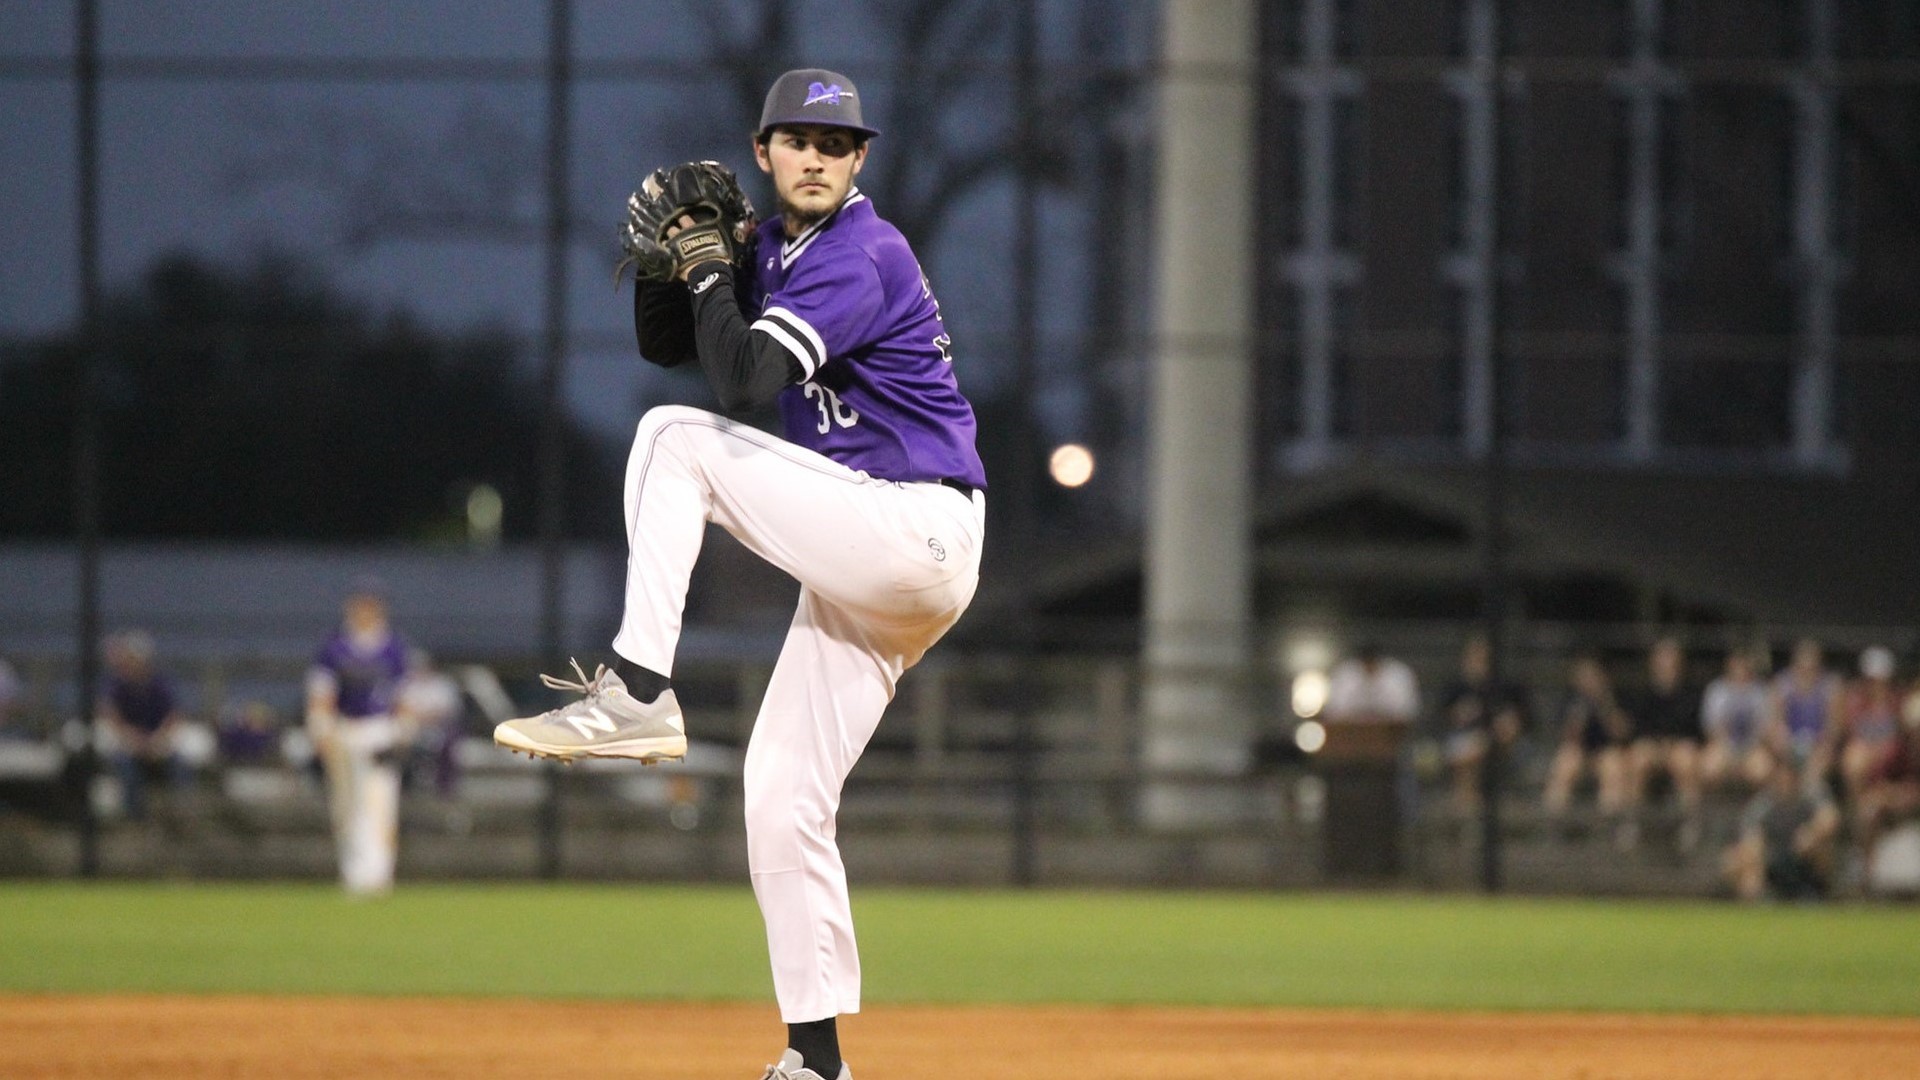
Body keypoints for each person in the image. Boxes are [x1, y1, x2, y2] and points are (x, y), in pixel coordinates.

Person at [492, 68, 984, 1080]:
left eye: (836, 144)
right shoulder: (776, 248)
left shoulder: (862, 251)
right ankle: (817, 1060)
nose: (816, 156)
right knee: (779, 792)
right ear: (763, 152)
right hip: (867, 551)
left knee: (676, 442)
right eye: (796, 139)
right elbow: (673, 346)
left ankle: (636, 691)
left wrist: (713, 273)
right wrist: (680, 265)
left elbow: (746, 384)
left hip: (916, 526)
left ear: (860, 162)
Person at [306, 578, 414, 897]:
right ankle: (353, 875)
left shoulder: (393, 647)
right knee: (347, 807)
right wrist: (321, 729)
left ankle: (379, 875)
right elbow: (321, 693)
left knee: (380, 804)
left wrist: (403, 733)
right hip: (346, 729)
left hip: (379, 730)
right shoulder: (334, 647)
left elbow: (404, 696)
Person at [1541, 653, 1637, 846]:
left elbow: (1622, 733)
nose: (1588, 680)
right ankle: (1553, 828)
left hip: (1606, 751)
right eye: (1583, 676)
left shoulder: (1614, 696)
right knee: (1565, 762)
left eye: (1593, 675)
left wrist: (1604, 705)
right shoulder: (1571, 699)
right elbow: (1566, 737)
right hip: (1580, 751)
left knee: (1613, 765)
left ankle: (1605, 830)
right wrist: (1578, 718)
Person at [98, 630, 193, 820]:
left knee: (180, 763)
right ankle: (134, 815)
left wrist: (158, 739)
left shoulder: (159, 683)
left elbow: (174, 714)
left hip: (157, 741)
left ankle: (182, 812)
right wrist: (132, 738)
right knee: (125, 764)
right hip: (128, 742)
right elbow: (109, 714)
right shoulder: (117, 684)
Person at [1624, 638, 1706, 851]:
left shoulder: (1691, 692)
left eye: (1671, 659)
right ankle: (1632, 822)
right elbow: (1638, 728)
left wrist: (1671, 744)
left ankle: (1690, 824)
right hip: (1653, 746)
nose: (1666, 664)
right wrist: (1657, 745)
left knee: (1686, 761)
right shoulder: (1643, 690)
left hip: (1680, 747)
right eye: (1662, 659)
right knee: (1638, 758)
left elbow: (1695, 729)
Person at [1720, 758, 1840, 902]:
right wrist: (1755, 850)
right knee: (1737, 862)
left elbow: (1831, 818)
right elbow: (1750, 836)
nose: (1785, 779)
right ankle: (1761, 904)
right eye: (1781, 774)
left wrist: (1812, 832)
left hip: (1805, 861)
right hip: (1773, 861)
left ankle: (1817, 894)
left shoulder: (1812, 793)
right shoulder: (1763, 803)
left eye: (1789, 775)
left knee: (1819, 846)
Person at [1432, 634, 1527, 814]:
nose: (1478, 662)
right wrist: (1458, 714)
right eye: (1474, 657)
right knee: (1466, 754)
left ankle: (1466, 805)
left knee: (1491, 739)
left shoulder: (1504, 686)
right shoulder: (1455, 686)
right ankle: (1468, 804)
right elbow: (1440, 718)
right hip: (1461, 739)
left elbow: (1524, 717)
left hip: (1499, 740)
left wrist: (1510, 719)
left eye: (1483, 658)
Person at [1836, 646, 1903, 803]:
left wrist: (1883, 750)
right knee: (1854, 760)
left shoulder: (1898, 700)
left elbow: (1901, 735)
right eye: (1871, 679)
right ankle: (1858, 808)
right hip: (1865, 752)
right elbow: (1851, 732)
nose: (1876, 684)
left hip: (1893, 756)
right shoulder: (1854, 700)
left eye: (1880, 679)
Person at [1765, 637, 1840, 779]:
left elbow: (1834, 724)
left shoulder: (1831, 685)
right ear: (1795, 664)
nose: (1807, 671)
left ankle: (1808, 792)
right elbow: (1775, 719)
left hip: (1818, 742)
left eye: (1812, 667)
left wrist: (1826, 741)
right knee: (1778, 745)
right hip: (1790, 742)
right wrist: (1782, 737)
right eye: (1803, 666)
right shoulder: (1782, 684)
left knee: (1823, 754)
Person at [1699, 646, 1773, 791]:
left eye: (1744, 665)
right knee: (1708, 768)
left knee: (1764, 770)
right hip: (1723, 746)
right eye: (1736, 665)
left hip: (1753, 746)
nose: (1740, 669)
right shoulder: (1716, 690)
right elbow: (1711, 727)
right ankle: (1710, 810)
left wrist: (1747, 749)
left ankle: (1757, 812)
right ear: (1729, 666)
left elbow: (1765, 726)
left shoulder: (1760, 692)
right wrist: (1729, 751)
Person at [1324, 643, 1420, 726]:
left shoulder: (1397, 675)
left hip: (1390, 732)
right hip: (1350, 732)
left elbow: (1407, 710)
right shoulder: (1345, 674)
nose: (1370, 666)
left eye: (1373, 662)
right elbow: (1334, 710)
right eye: (1367, 662)